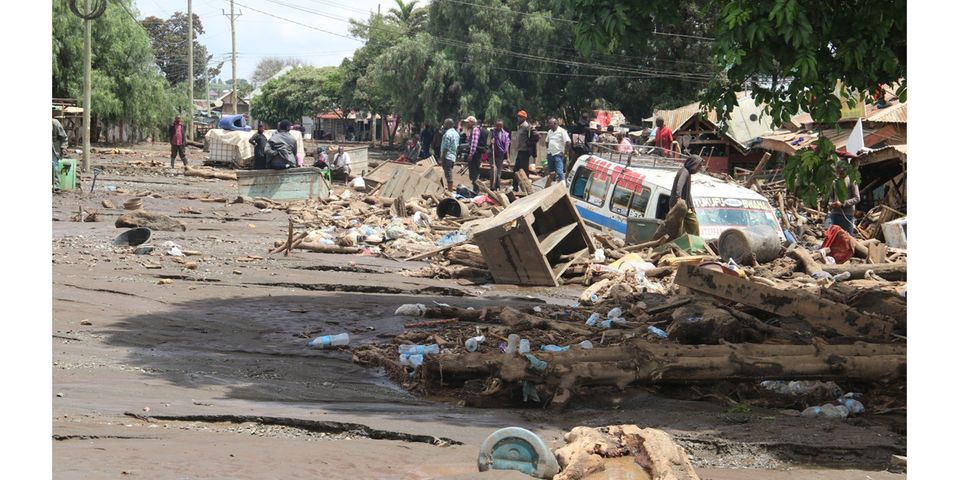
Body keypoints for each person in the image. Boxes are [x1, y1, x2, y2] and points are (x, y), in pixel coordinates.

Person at [669, 155, 704, 236]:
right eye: (698, 166)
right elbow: (679, 185)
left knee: (693, 223)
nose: (699, 169)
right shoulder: (684, 172)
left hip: (685, 206)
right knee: (678, 229)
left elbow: (688, 193)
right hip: (678, 206)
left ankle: (694, 241)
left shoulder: (687, 173)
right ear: (693, 164)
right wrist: (679, 198)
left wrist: (692, 207)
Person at [827, 163, 861, 235]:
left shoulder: (852, 181)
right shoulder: (834, 182)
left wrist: (843, 203)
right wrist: (830, 203)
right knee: (835, 236)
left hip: (847, 214)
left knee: (847, 237)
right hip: (835, 213)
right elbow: (831, 196)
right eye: (838, 172)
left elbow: (857, 198)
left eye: (841, 172)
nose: (839, 174)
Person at [512, 110, 535, 192]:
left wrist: (529, 144)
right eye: (518, 116)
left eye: (520, 117)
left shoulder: (527, 126)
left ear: (524, 118)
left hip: (525, 151)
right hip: (520, 151)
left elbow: (536, 136)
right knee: (516, 170)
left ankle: (527, 189)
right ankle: (515, 187)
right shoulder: (520, 126)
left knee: (524, 171)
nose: (518, 118)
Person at [545, 118, 571, 182]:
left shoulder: (562, 131)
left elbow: (568, 142)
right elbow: (546, 141)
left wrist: (565, 152)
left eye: (550, 124)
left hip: (558, 154)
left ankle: (563, 186)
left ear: (555, 124)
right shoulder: (549, 132)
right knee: (551, 173)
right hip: (550, 154)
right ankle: (552, 187)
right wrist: (548, 149)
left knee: (559, 172)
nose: (549, 125)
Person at [489, 119, 511, 190]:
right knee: (493, 169)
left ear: (502, 126)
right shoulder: (492, 132)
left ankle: (497, 186)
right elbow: (488, 143)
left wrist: (508, 157)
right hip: (493, 153)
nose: (499, 127)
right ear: (496, 125)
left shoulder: (505, 134)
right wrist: (491, 142)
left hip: (500, 155)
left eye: (500, 125)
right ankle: (492, 186)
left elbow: (506, 146)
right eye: (498, 125)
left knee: (498, 171)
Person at [439, 118, 459, 191]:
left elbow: (446, 148)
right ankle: (449, 190)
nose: (443, 125)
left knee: (448, 174)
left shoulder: (447, 134)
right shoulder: (456, 134)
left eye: (444, 123)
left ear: (448, 124)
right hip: (453, 156)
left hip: (447, 157)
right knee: (449, 173)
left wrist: (441, 158)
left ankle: (450, 191)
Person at [52, 117, 68, 192]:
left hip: (54, 148)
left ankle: (56, 186)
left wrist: (63, 147)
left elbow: (64, 137)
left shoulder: (55, 123)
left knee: (54, 166)